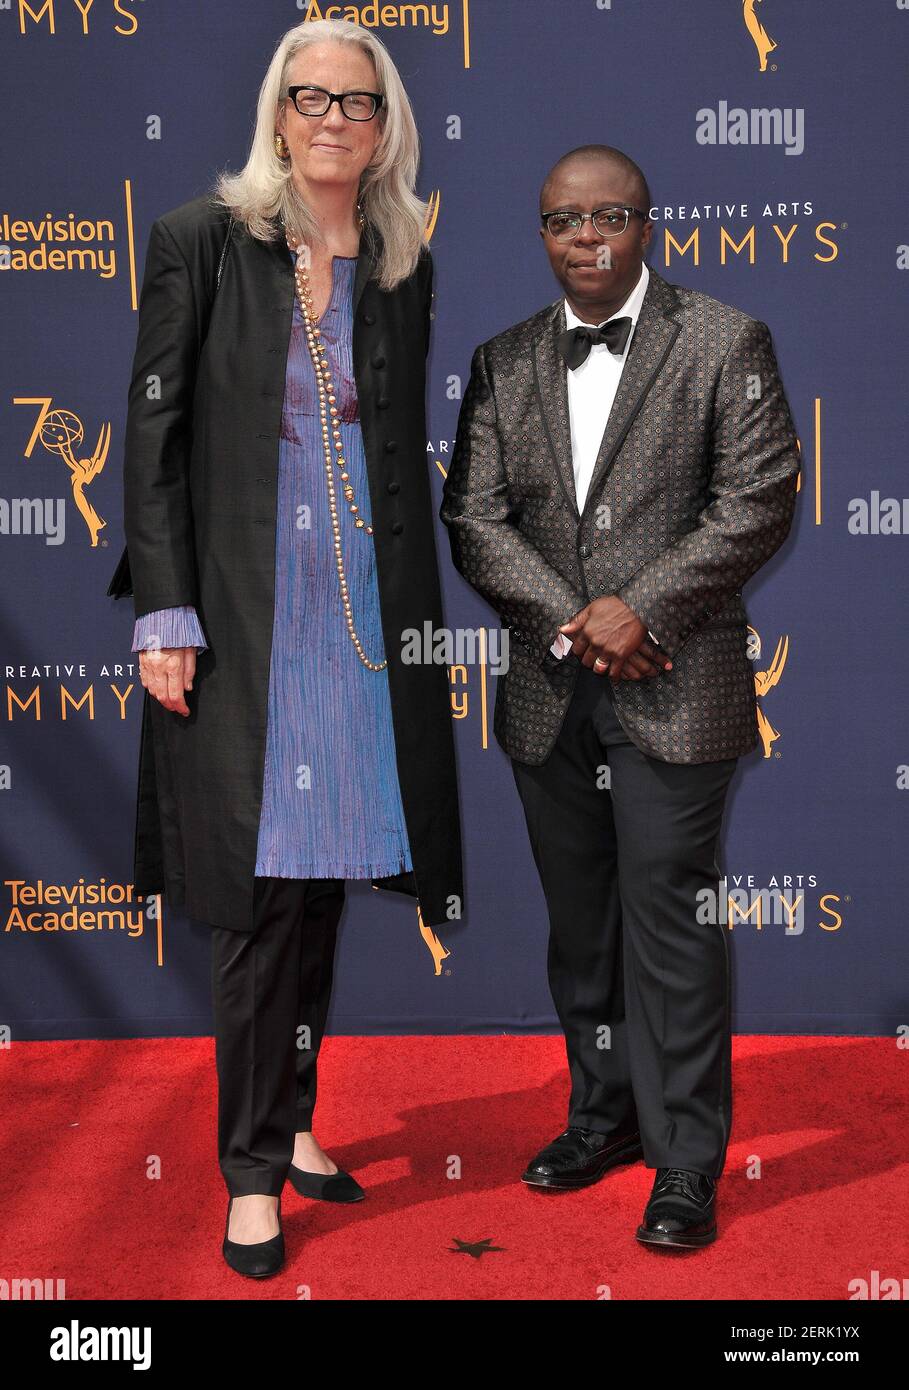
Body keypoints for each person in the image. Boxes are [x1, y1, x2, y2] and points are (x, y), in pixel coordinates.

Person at [108, 18, 463, 1277]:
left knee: (320, 895)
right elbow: (150, 440)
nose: (331, 118)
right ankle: (251, 1176)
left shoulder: (401, 258)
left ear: (384, 127)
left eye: (356, 103)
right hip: (245, 623)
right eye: (309, 96)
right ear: (276, 112)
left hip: (359, 624)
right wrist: (162, 610)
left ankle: (298, 1120)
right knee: (256, 907)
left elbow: (400, 452)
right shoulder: (206, 242)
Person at [440, 144, 799, 1249]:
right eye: (562, 221)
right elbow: (474, 517)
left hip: (676, 687)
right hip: (554, 693)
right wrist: (577, 620)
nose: (586, 238)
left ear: (649, 225)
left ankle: (687, 1158)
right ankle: (604, 1115)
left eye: (609, 217)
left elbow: (759, 498)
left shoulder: (724, 340)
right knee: (583, 930)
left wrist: (642, 605)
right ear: (541, 233)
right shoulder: (503, 362)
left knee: (673, 924)